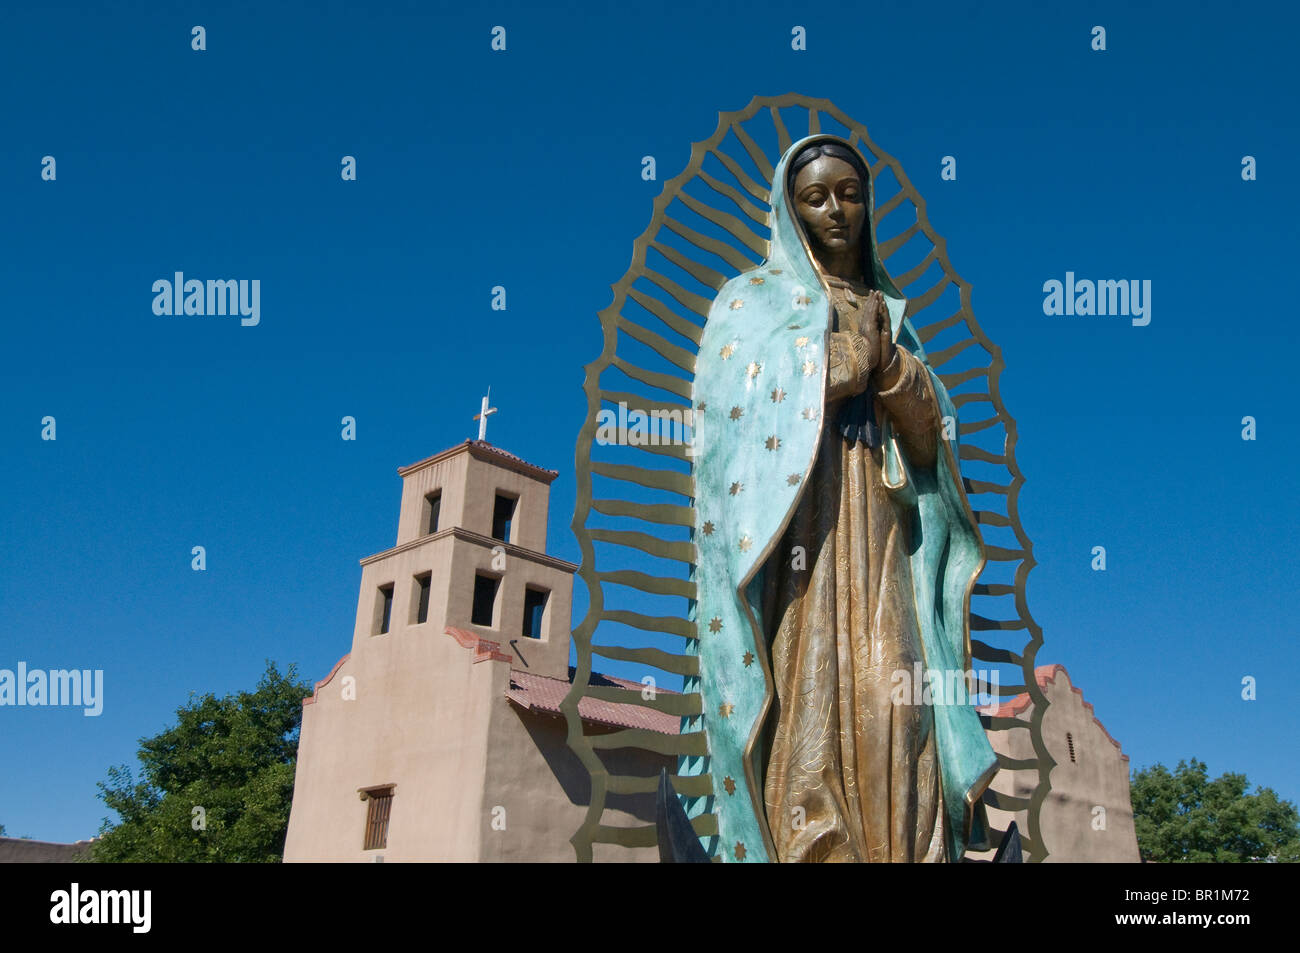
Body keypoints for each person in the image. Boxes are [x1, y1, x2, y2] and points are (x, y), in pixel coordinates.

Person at [685, 134, 997, 862]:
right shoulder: (750, 303)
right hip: (799, 547)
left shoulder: (892, 313)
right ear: (789, 210)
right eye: (816, 196)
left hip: (885, 536)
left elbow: (935, 446)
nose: (836, 210)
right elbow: (727, 413)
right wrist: (826, 365)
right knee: (812, 696)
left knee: (897, 695)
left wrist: (889, 368)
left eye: (850, 194)